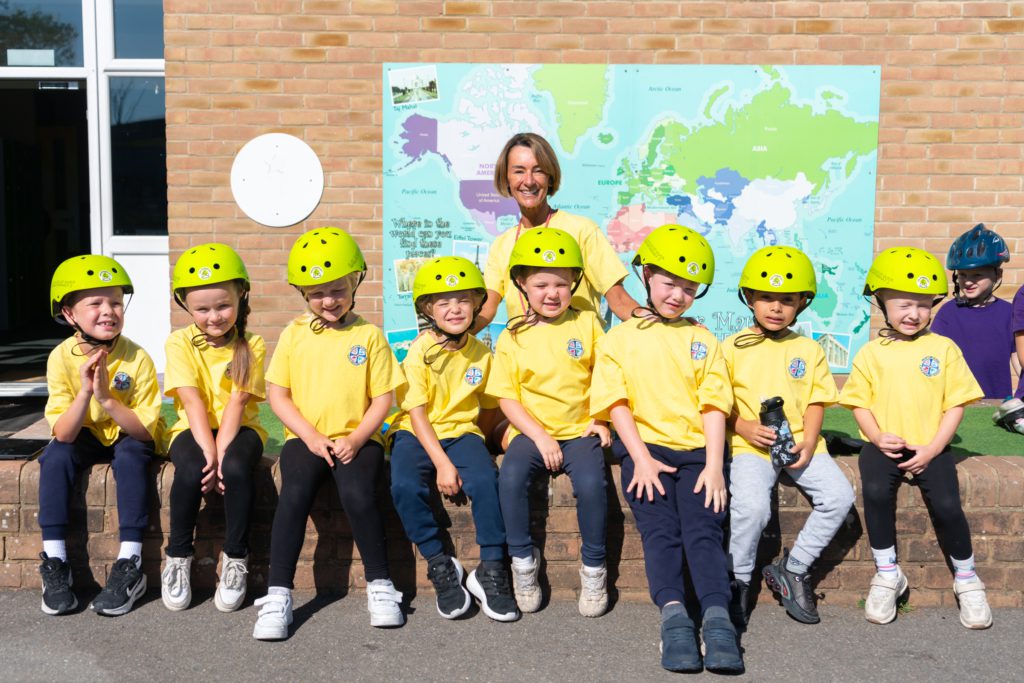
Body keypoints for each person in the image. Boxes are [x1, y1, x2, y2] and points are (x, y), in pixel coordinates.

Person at [591, 224, 742, 674]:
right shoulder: (618, 340)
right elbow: (615, 403)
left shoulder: (702, 340)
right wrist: (638, 457)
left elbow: (714, 404)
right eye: (669, 283)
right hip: (645, 453)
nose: (678, 295)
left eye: (689, 288)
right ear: (646, 276)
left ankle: (718, 619)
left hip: (698, 454)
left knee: (703, 532)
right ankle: (674, 619)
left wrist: (715, 467)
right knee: (661, 534)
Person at [252, 228, 406, 640]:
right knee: (295, 494)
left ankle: (381, 585)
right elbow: (278, 396)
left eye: (337, 289)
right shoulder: (293, 334)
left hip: (359, 439)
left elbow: (383, 398)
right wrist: (312, 437)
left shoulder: (369, 336)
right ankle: (278, 594)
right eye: (317, 293)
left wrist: (356, 439)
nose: (329, 300)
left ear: (356, 282)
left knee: (359, 495)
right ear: (303, 293)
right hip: (306, 438)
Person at [839, 247, 992, 629]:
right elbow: (858, 403)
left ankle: (967, 579)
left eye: (924, 306)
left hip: (930, 445)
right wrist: (875, 436)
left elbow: (956, 404)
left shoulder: (942, 348)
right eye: (905, 304)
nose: (914, 314)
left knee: (946, 505)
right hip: (883, 445)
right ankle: (888, 572)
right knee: (874, 493)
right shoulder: (872, 352)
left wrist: (935, 448)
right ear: (882, 303)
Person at [723, 246, 855, 626]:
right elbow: (717, 402)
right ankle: (740, 579)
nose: (775, 307)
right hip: (750, 446)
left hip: (798, 442)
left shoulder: (808, 349)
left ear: (802, 303)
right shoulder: (730, 347)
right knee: (752, 508)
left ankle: (793, 568)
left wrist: (811, 442)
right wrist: (743, 426)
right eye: (766, 297)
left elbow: (816, 400)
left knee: (839, 496)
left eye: (787, 300)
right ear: (749, 298)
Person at [485, 227, 612, 618]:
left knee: (592, 486)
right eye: (541, 284)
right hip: (532, 431)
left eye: (561, 283)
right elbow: (507, 396)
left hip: (580, 430)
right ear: (521, 284)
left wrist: (600, 419)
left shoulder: (588, 323)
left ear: (574, 282)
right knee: (510, 479)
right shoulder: (512, 335)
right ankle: (523, 562)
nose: (552, 293)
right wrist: (539, 437)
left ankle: (594, 568)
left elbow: (606, 375)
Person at [389, 257, 519, 622]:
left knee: (485, 480)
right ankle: (440, 564)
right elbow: (417, 414)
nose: (455, 309)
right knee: (403, 486)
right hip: (417, 433)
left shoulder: (481, 352)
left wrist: (488, 444)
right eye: (443, 302)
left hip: (462, 432)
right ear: (428, 309)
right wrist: (443, 464)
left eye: (463, 300)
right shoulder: (419, 353)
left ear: (477, 303)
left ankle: (491, 569)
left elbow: (491, 406)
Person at [38, 255, 161, 616]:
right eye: (95, 303)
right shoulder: (60, 358)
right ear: (69, 313)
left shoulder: (138, 358)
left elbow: (143, 430)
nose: (109, 311)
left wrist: (107, 398)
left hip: (126, 432)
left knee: (131, 455)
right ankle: (56, 562)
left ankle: (130, 563)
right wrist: (85, 392)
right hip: (84, 432)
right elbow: (63, 433)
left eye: (116, 302)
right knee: (55, 456)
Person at [160, 244, 266, 612]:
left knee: (236, 469)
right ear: (186, 307)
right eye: (202, 309)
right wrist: (209, 455)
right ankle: (177, 556)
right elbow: (191, 403)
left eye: (222, 306)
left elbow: (237, 403)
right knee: (191, 469)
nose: (214, 316)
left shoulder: (252, 343)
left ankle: (236, 558)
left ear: (242, 296)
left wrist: (221, 457)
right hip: (194, 427)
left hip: (240, 430)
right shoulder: (178, 342)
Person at [474, 132, 639, 332]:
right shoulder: (502, 244)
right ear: (506, 178)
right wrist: (444, 334)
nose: (529, 181)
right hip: (525, 358)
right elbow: (487, 309)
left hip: (578, 358)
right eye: (519, 171)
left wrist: (669, 328)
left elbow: (619, 301)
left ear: (550, 178)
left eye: (538, 171)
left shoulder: (583, 230)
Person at [931, 223, 1019, 399]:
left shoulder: (1009, 313)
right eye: (963, 275)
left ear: (998, 275)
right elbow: (934, 358)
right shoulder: (948, 313)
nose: (968, 282)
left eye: (977, 275)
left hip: (995, 402)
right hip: (954, 403)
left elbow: (1018, 359)